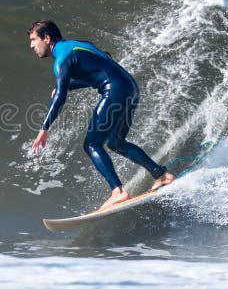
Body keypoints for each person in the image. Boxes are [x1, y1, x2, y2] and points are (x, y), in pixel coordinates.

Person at [28, 19, 175, 209]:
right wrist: (70, 86)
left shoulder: (61, 61)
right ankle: (162, 175)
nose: (32, 45)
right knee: (116, 142)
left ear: (46, 38)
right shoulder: (80, 45)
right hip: (130, 87)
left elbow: (59, 99)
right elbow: (104, 63)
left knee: (91, 144)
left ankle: (118, 192)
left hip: (113, 90)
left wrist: (44, 128)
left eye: (33, 40)